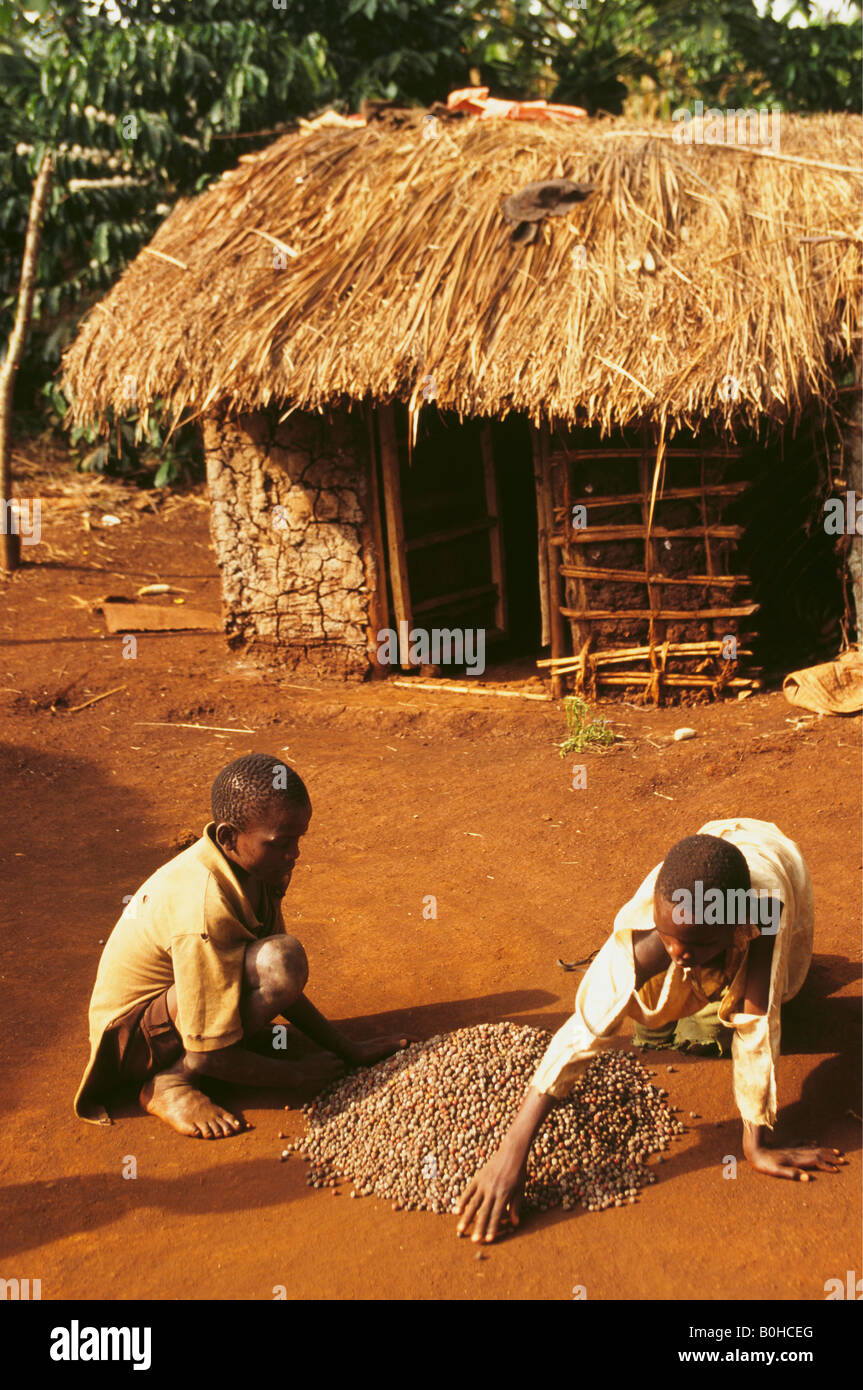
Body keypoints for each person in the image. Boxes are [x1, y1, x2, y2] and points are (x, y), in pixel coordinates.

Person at [455, 818, 847, 1243]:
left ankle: (715, 985)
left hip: (774, 864)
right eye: (669, 937)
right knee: (646, 1015)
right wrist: (513, 1148)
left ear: (733, 931)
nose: (677, 952)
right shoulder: (661, 912)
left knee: (715, 1032)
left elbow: (757, 1022)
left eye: (693, 945)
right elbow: (587, 1025)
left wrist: (756, 1141)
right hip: (711, 879)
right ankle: (700, 979)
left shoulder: (763, 910)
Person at [74, 753, 409, 1138]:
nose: (294, 854)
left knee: (281, 958)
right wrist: (294, 1076)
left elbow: (280, 979)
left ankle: (211, 1044)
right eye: (281, 843)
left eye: (298, 840)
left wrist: (348, 1047)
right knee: (280, 960)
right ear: (229, 837)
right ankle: (170, 1083)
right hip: (132, 1044)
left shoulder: (259, 871)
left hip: (175, 1013)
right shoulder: (203, 906)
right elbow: (208, 1054)